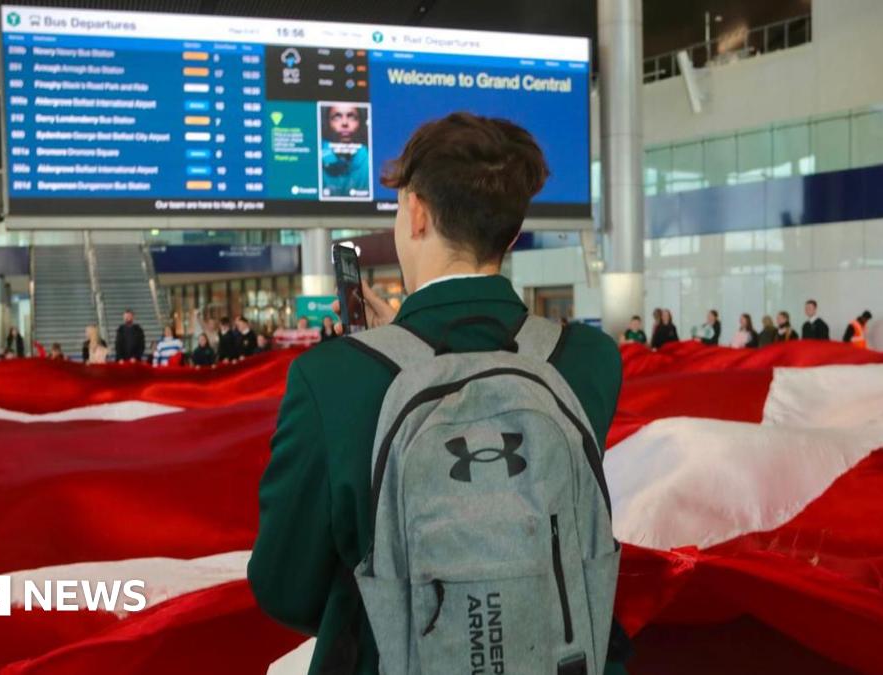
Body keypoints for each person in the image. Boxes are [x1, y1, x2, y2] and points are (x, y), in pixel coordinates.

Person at [250, 113, 627, 674]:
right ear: (512, 232)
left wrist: (378, 350)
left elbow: (284, 586)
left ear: (418, 214)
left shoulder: (328, 379)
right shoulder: (590, 361)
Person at [320, 104, 371, 198]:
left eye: (352, 117)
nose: (344, 123)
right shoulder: (316, 155)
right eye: (337, 117)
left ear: (361, 122)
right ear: (327, 122)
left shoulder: (369, 157)